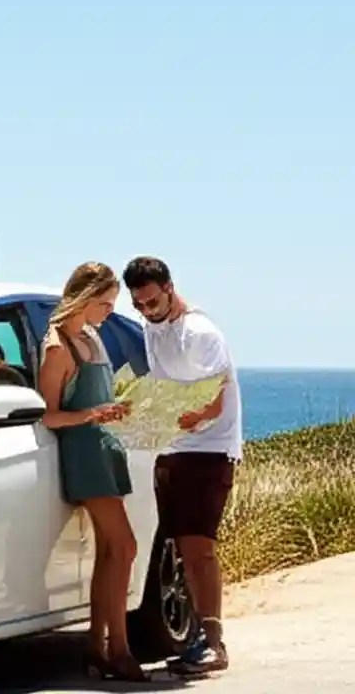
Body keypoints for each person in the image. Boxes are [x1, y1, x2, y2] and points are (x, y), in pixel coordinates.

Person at [122, 255, 241, 677]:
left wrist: (183, 416)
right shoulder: (154, 328)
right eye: (138, 305)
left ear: (170, 288)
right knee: (176, 547)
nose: (146, 311)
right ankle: (196, 637)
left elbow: (214, 400)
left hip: (208, 450)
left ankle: (213, 643)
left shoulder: (201, 332)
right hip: (171, 448)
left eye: (152, 302)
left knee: (198, 546)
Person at [36, 261, 147, 682]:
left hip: (103, 445)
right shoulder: (58, 347)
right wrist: (92, 414)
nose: (108, 311)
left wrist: (112, 410)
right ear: (84, 298)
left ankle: (99, 647)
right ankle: (116, 649)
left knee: (111, 551)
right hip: (83, 451)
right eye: (104, 303)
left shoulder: (90, 336)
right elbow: (48, 416)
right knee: (124, 547)